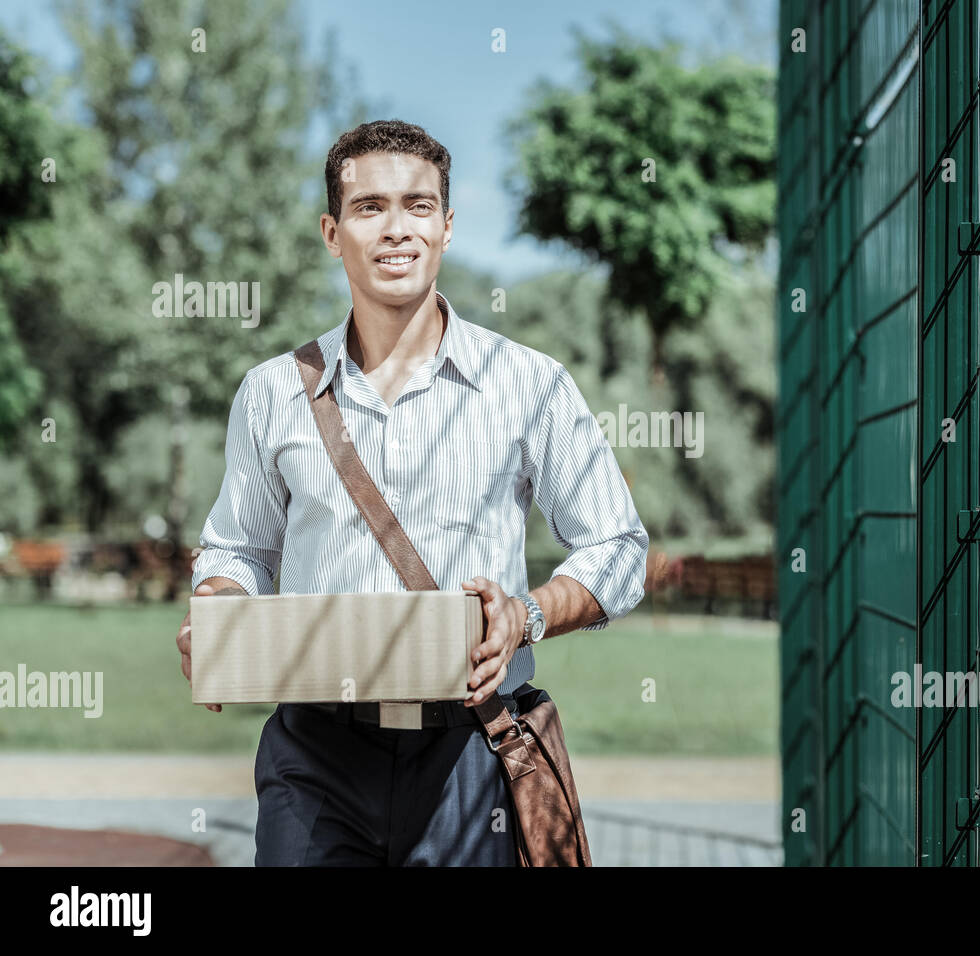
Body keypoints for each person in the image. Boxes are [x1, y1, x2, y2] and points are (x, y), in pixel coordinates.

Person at [174, 119, 648, 866]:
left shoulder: (530, 383)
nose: (397, 229)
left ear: (448, 226)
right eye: (370, 208)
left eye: (418, 206)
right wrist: (223, 609)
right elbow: (239, 545)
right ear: (333, 232)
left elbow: (619, 546)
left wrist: (526, 615)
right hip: (316, 754)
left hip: (470, 751)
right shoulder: (270, 392)